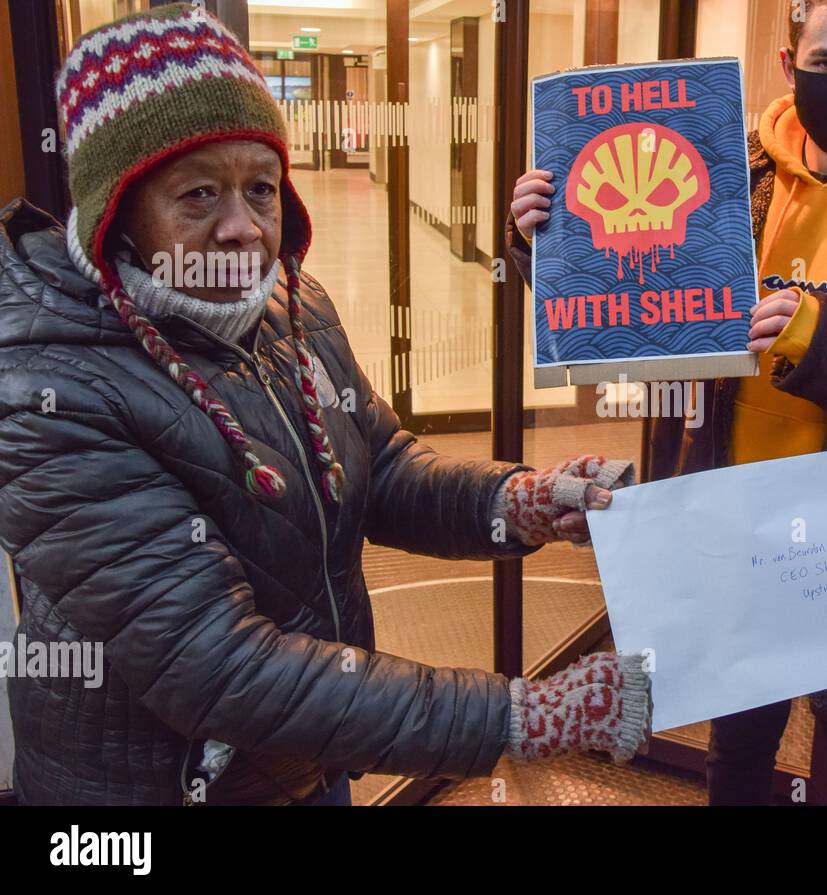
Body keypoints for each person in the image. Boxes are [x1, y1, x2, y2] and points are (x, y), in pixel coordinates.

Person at [0, 3, 649, 806]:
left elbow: (376, 464)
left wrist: (517, 501)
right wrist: (522, 716)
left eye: (262, 189)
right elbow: (217, 665)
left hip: (307, 756)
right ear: (115, 214)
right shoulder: (48, 387)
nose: (243, 230)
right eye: (198, 193)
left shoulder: (288, 304)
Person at [508, 0, 827, 804]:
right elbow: (630, 304)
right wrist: (552, 240)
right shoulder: (731, 182)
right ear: (789, 67)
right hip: (732, 522)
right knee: (738, 745)